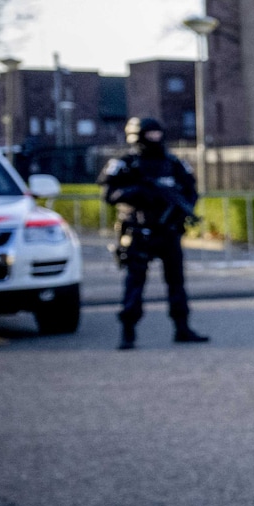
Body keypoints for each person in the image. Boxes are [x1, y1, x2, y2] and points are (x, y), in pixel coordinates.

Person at [102, 117, 205, 349]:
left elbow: (190, 191)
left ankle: (182, 327)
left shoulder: (173, 163)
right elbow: (110, 194)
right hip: (138, 232)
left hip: (168, 231)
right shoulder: (125, 164)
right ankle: (128, 331)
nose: (155, 139)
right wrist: (139, 193)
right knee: (135, 283)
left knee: (176, 281)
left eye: (158, 134)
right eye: (150, 134)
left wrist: (178, 212)